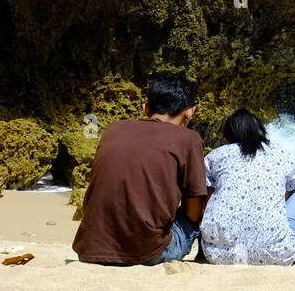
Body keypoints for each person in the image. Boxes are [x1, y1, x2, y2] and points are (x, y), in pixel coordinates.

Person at [73, 71, 208, 266]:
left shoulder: (113, 129)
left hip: (90, 248)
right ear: (190, 111)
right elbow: (193, 212)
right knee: (196, 209)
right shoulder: (189, 139)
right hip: (147, 252)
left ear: (145, 108)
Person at [200, 109, 295, 265]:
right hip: (276, 254)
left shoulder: (215, 155)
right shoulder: (281, 153)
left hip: (218, 254)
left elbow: (204, 197)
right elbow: (294, 185)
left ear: (226, 138)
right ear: (261, 133)